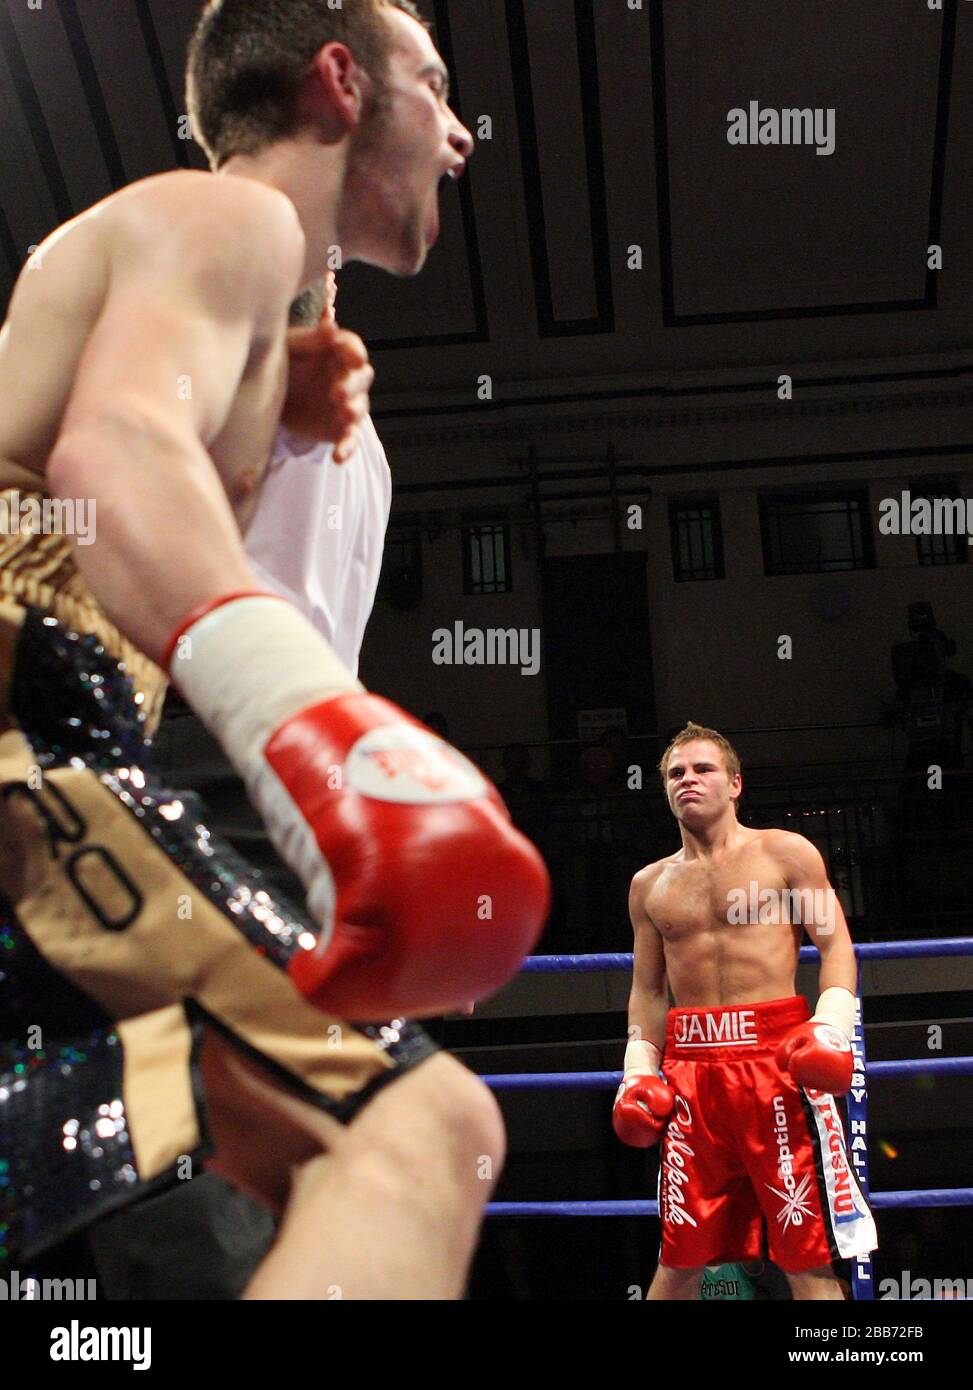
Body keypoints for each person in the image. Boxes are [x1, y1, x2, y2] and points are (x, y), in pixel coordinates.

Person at [0, 0, 549, 1300]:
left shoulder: (227, 289)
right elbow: (112, 453)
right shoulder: (229, 214)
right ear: (343, 82)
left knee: (174, 1191)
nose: (462, 136)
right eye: (437, 84)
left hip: (66, 758)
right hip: (42, 735)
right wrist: (322, 740)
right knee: (425, 1128)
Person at [614, 721, 876, 1300]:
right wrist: (637, 1069)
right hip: (692, 1077)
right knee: (679, 1257)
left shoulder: (786, 853)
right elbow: (649, 992)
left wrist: (830, 1030)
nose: (689, 780)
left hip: (776, 1068)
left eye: (703, 769)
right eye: (676, 773)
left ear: (735, 784)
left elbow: (835, 947)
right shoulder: (648, 885)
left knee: (806, 1257)